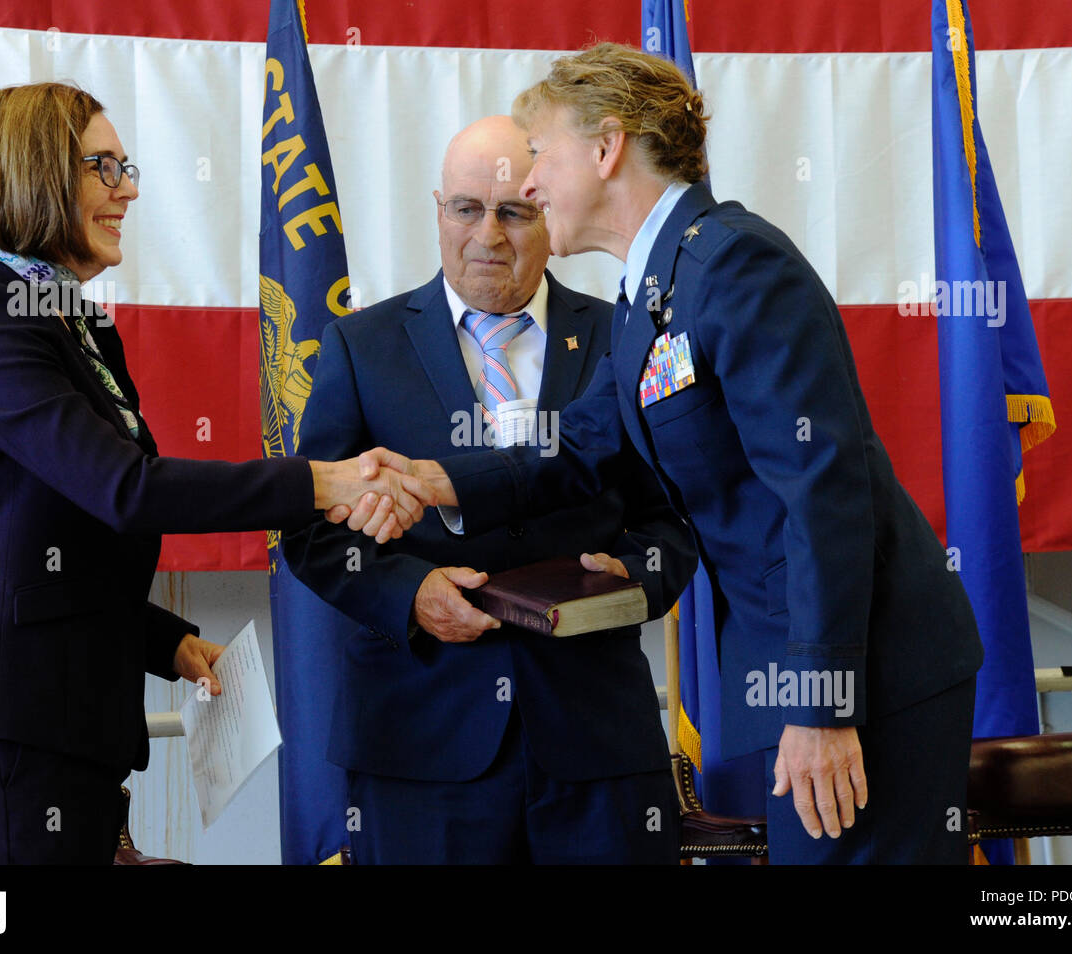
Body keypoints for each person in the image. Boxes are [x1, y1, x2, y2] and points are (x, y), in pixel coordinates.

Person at [374, 45, 985, 864]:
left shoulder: (734, 264)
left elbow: (821, 489)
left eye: (540, 156)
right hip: (802, 662)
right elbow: (583, 442)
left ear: (606, 148)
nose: (528, 186)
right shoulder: (647, 293)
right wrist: (434, 477)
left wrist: (822, 703)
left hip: (864, 675)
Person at [0, 82, 429, 865]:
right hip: (0, 722)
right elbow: (127, 489)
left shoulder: (72, 322)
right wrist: (323, 483)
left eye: (126, 165)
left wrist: (169, 644)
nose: (130, 188)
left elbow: (56, 543)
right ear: (35, 173)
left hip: (62, 723)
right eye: (103, 166)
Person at [281, 115, 696, 864]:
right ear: (438, 209)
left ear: (548, 208)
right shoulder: (361, 346)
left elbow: (675, 518)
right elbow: (311, 527)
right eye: (466, 208)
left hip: (594, 742)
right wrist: (409, 595)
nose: (488, 235)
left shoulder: (624, 337)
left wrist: (633, 579)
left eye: (513, 211)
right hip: (422, 743)